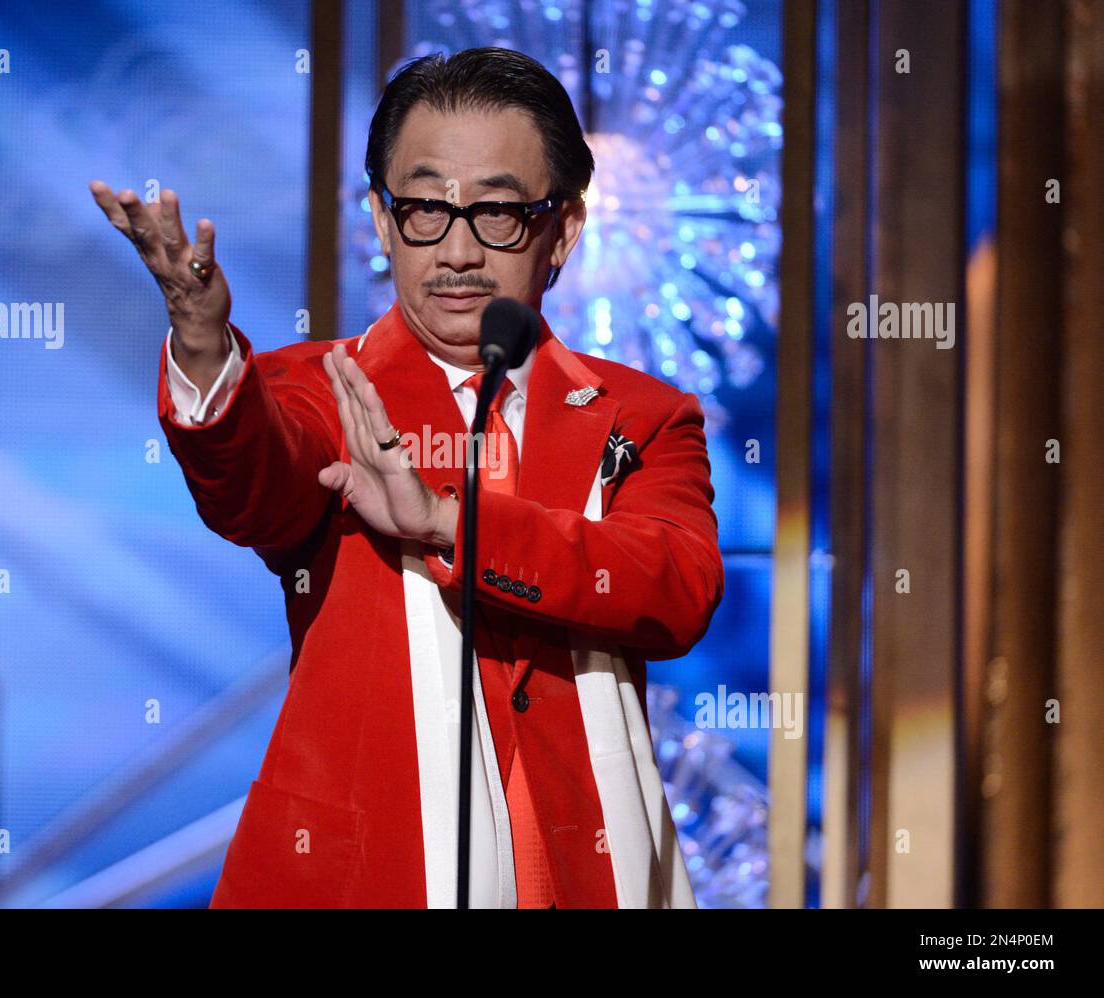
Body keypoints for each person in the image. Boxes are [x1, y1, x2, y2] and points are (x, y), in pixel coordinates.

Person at [89, 46, 723, 908]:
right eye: (425, 209)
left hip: (585, 868)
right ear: (383, 223)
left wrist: (448, 523)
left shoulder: (640, 415)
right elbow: (254, 487)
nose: (457, 251)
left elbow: (674, 586)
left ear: (565, 228)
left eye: (497, 212)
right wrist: (202, 345)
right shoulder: (320, 390)